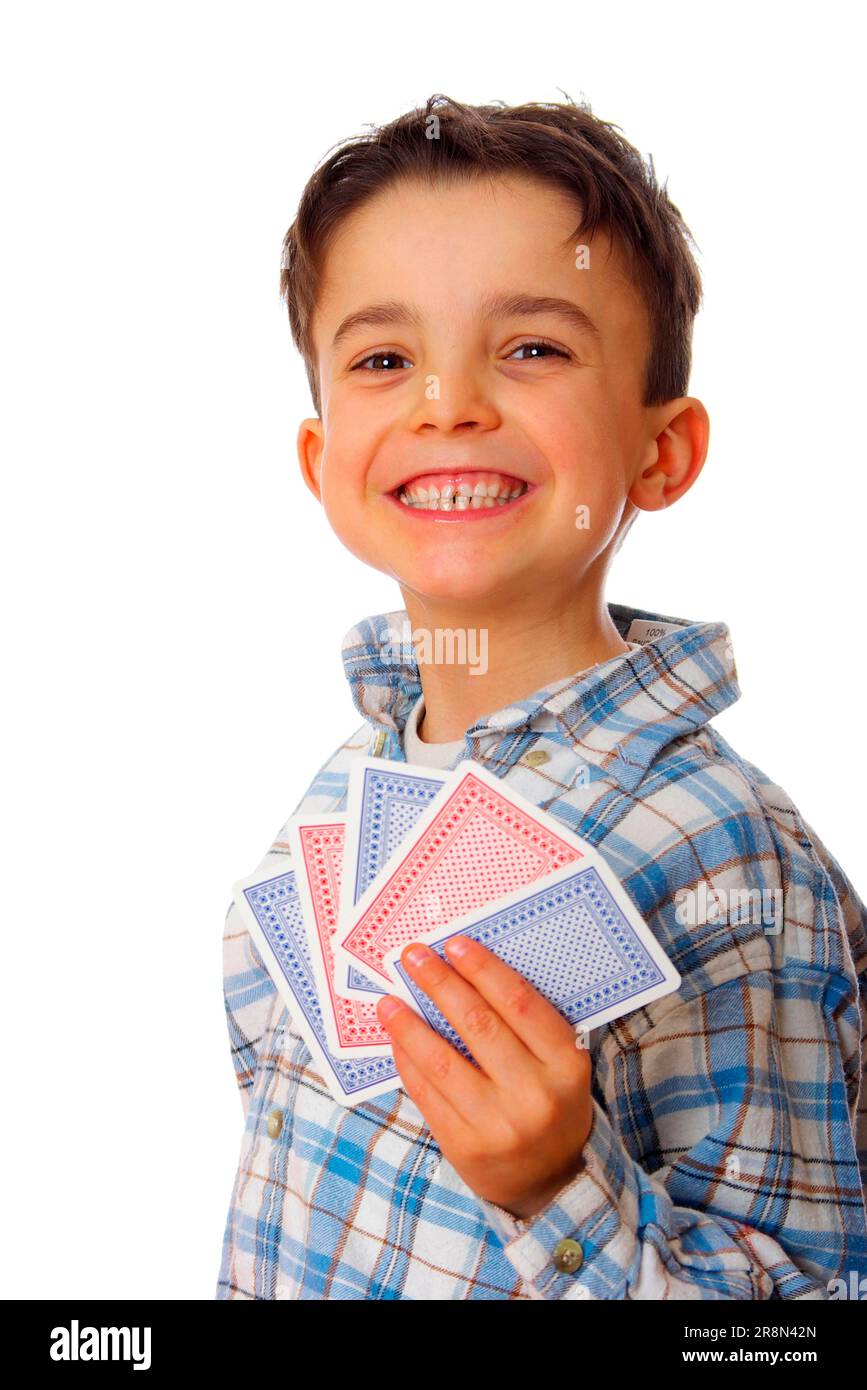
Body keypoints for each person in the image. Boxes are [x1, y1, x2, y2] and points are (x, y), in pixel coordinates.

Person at [216, 94, 867, 1300]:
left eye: (531, 348)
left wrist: (553, 1186)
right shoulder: (345, 784)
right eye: (383, 358)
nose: (445, 402)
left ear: (659, 452)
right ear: (322, 464)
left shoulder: (733, 861)